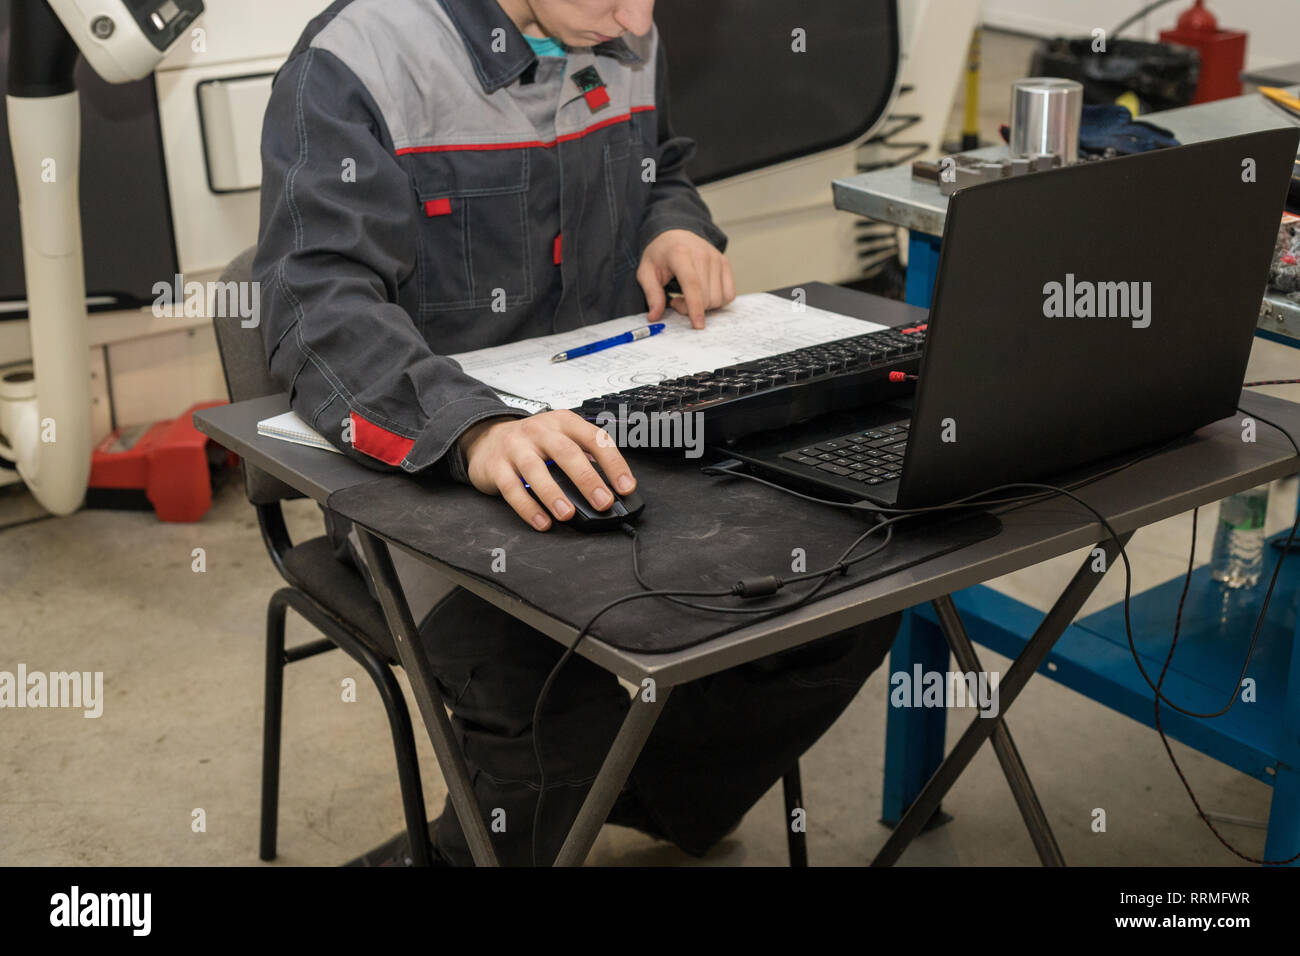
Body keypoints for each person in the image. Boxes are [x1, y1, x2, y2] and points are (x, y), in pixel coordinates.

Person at [255, 0, 900, 865]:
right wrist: (475, 430)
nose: (637, 17)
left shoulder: (616, 20)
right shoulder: (358, 60)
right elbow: (314, 306)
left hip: (628, 438)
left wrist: (674, 223)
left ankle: (648, 798)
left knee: (854, 595)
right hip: (426, 469)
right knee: (555, 675)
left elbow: (659, 166)